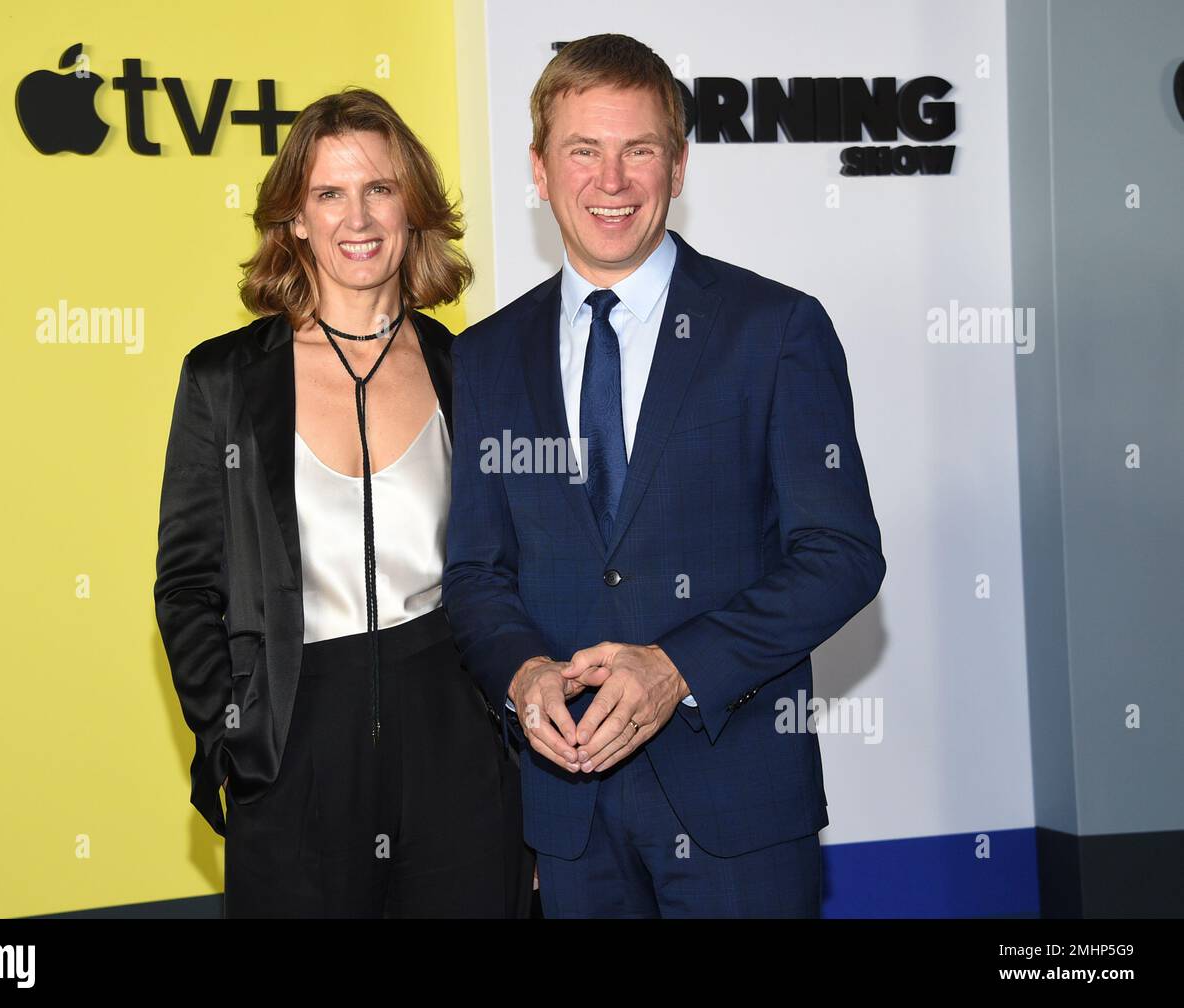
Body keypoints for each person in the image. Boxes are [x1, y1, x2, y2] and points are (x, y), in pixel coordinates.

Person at [443, 34, 885, 917]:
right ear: (538, 170)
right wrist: (525, 672)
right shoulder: (487, 356)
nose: (612, 181)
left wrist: (676, 669)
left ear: (677, 167)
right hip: (567, 817)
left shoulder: (775, 330)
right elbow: (477, 572)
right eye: (583, 150)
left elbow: (840, 555)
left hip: (739, 808)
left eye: (638, 150)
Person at [154, 87, 532, 918]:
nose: (356, 218)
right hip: (294, 739)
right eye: (328, 193)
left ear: (414, 208)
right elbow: (186, 586)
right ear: (294, 218)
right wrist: (231, 734)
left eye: (379, 189)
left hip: (457, 738)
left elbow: (515, 574)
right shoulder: (223, 380)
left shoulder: (470, 372)